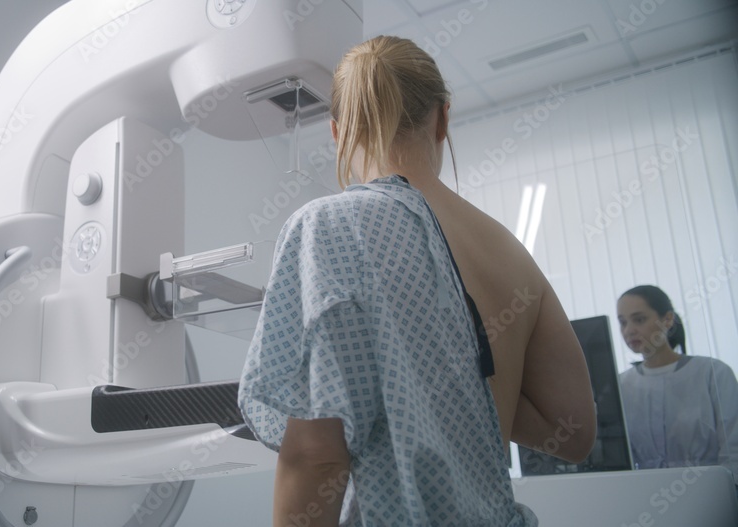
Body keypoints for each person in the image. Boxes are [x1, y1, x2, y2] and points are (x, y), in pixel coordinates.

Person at [237, 35, 596, 526]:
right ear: (443, 119)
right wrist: (448, 401)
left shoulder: (332, 227)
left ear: (337, 133)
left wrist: (424, 398)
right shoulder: (511, 254)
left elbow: (316, 456)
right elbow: (572, 433)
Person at [617, 285, 738, 475]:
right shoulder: (622, 385)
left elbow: (733, 450)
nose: (629, 330)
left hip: (714, 492)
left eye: (639, 320)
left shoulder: (713, 373)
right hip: (647, 494)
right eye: (623, 322)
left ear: (667, 319)